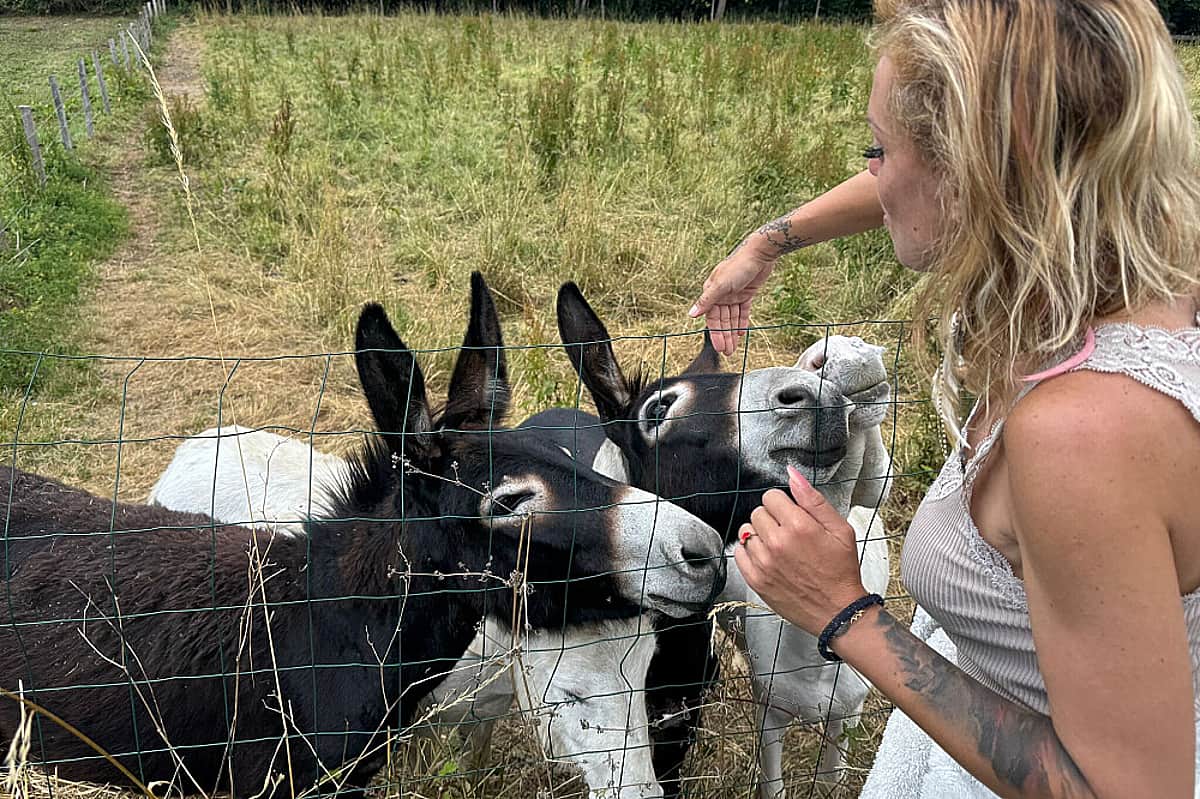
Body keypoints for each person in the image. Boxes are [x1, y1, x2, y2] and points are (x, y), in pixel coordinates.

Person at [689, 2, 1200, 797]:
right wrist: (771, 240)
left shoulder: (1083, 434)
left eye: (877, 149)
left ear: (981, 165)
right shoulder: (1152, 246)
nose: (872, 178)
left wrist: (845, 613)